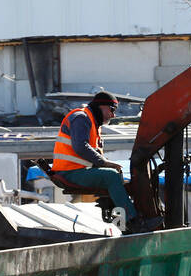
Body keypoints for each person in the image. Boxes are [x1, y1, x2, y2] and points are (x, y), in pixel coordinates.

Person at [51, 91, 160, 232]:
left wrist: (106, 164)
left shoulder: (91, 122)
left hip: (76, 170)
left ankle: (123, 224)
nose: (113, 115)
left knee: (115, 174)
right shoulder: (81, 118)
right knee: (111, 176)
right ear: (101, 106)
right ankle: (134, 223)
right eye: (112, 110)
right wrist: (104, 162)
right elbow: (80, 147)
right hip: (70, 172)